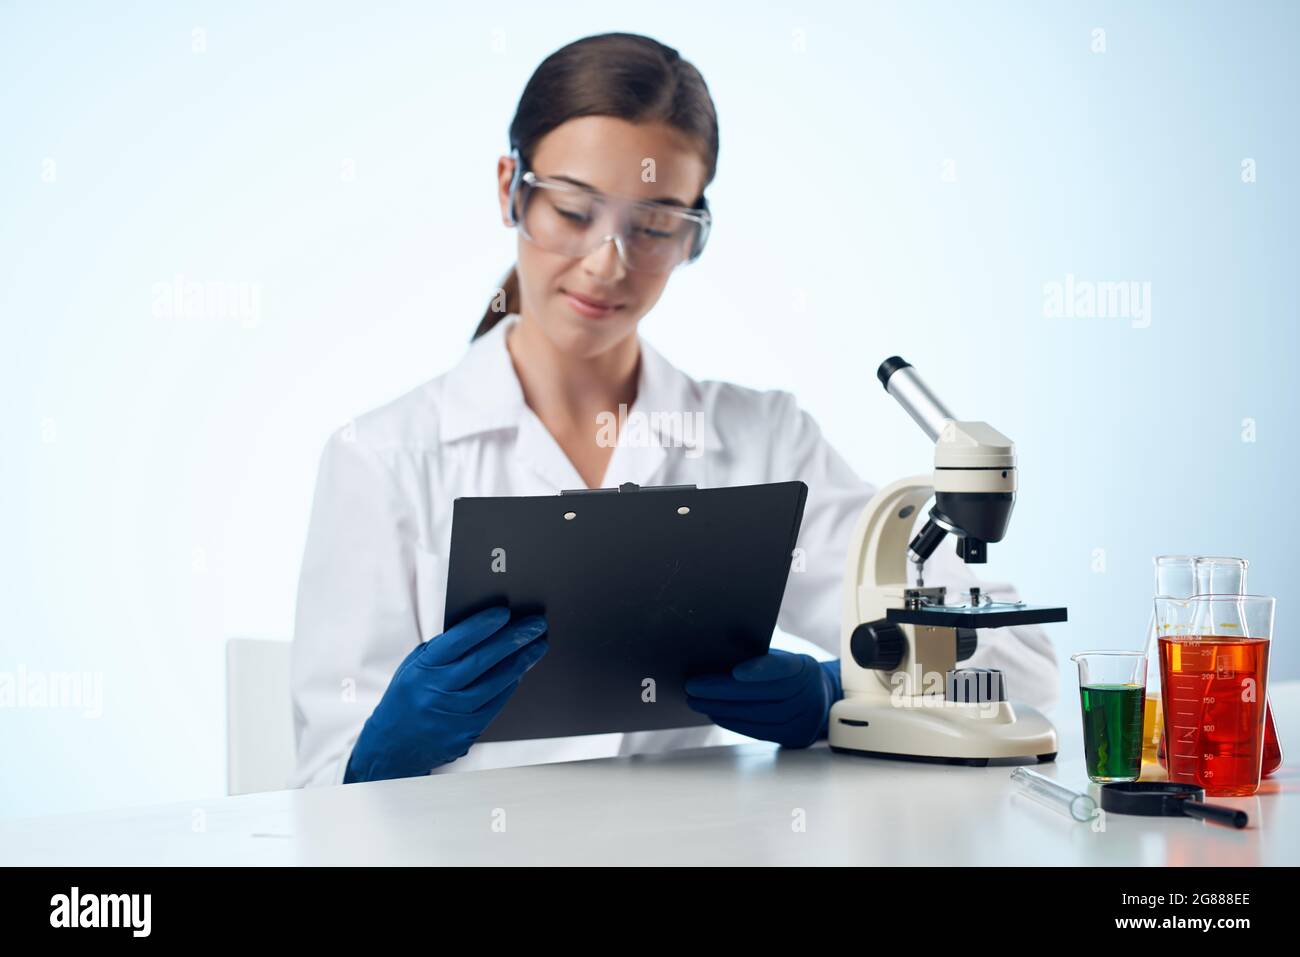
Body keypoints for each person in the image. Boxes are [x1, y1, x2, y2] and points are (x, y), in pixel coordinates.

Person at [289, 32, 1058, 788]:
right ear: (509, 190)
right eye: (571, 210)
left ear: (694, 236)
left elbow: (1023, 663)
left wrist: (842, 693)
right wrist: (380, 756)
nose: (607, 261)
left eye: (654, 225)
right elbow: (322, 784)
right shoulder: (383, 456)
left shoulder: (760, 441)